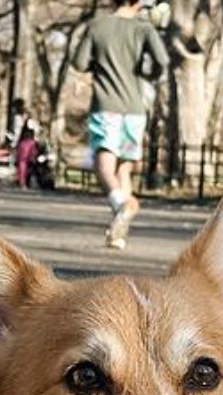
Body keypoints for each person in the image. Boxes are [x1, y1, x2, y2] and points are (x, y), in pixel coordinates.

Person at [72, 0, 169, 249]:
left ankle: (120, 204)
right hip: (134, 108)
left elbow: (79, 62)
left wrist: (99, 64)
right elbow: (162, 61)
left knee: (103, 164)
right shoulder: (144, 29)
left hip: (106, 105)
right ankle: (118, 233)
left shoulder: (97, 25)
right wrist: (148, 75)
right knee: (123, 169)